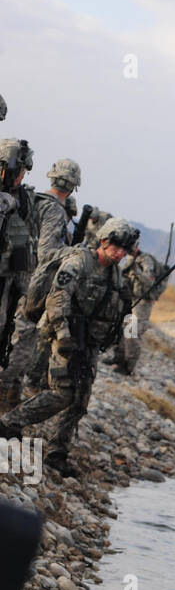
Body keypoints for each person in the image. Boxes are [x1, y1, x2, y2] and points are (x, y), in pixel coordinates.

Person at [0, 216, 136, 476]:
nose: (119, 253)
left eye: (124, 249)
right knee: (62, 393)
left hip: (90, 343)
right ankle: (9, 422)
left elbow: (129, 311)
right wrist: (63, 335)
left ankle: (57, 453)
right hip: (63, 336)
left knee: (80, 401)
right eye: (115, 246)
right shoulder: (79, 262)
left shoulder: (117, 276)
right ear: (104, 241)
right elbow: (57, 299)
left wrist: (126, 339)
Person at [0, 156, 81, 406]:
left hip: (11, 276)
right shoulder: (54, 210)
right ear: (73, 186)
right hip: (31, 283)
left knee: (9, 334)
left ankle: (10, 397)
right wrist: (76, 253)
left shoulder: (29, 198)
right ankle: (4, 389)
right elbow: (46, 252)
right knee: (23, 342)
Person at [0, 138, 36, 404]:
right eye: (18, 171)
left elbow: (24, 241)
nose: (21, 177)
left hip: (7, 282)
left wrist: (22, 286)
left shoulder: (22, 199)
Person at [109, 243, 168, 375]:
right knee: (122, 327)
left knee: (132, 332)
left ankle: (129, 366)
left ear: (136, 247)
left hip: (143, 302)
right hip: (131, 298)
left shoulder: (146, 261)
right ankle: (118, 358)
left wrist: (136, 271)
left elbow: (149, 281)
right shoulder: (131, 259)